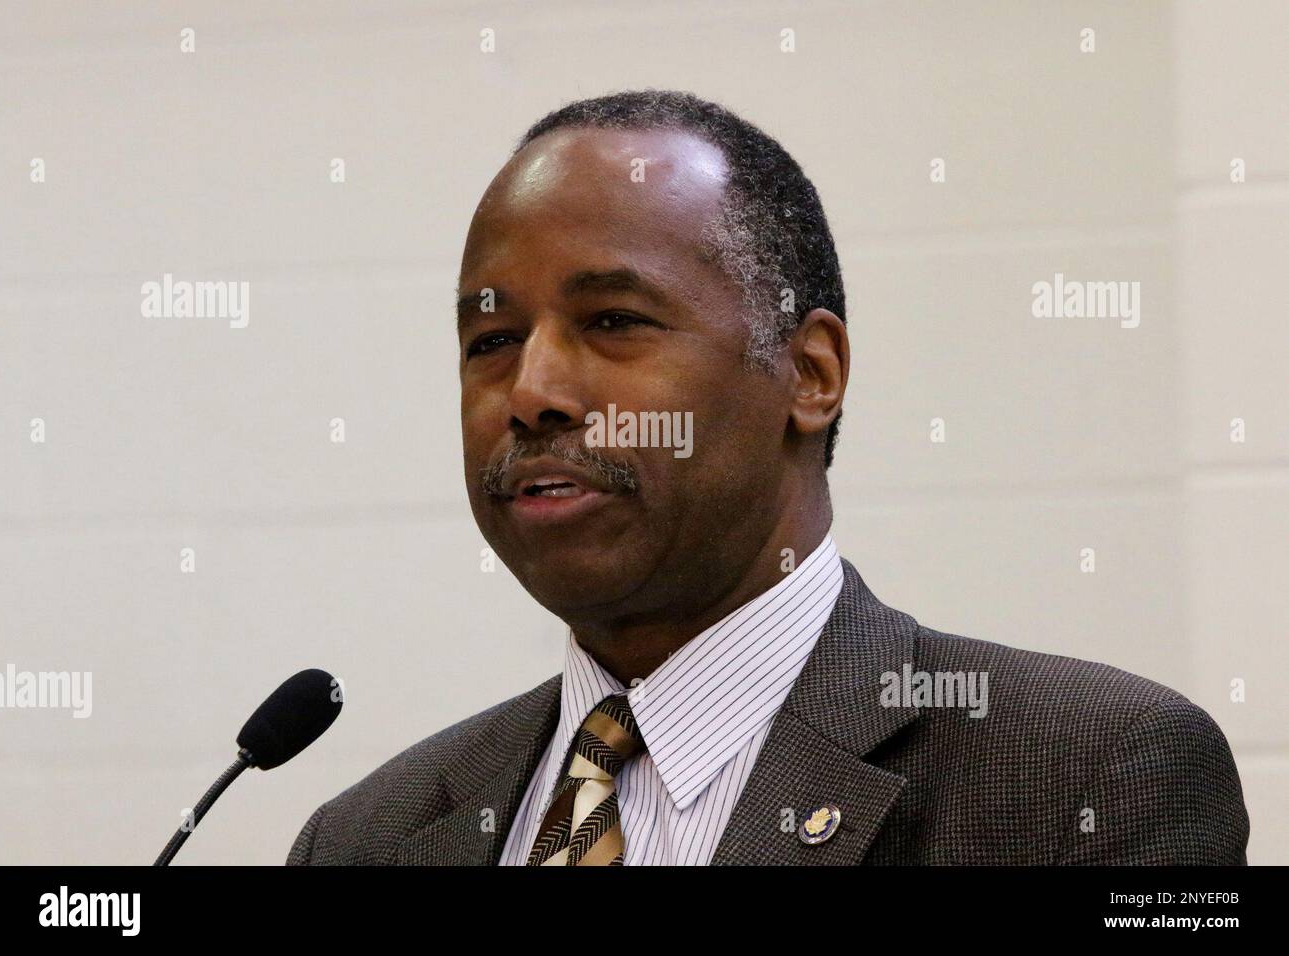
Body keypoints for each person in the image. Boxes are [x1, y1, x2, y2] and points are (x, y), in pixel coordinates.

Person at [287, 90, 1248, 866]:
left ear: (809, 374)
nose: (531, 391)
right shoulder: (369, 839)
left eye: (614, 321)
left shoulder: (1084, 775)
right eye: (492, 341)